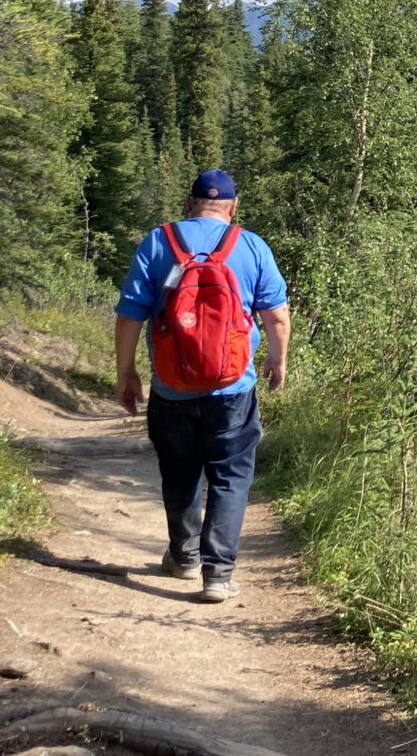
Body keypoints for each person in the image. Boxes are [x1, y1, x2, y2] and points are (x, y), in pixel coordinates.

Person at [114, 170, 290, 603]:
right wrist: (276, 358)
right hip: (233, 387)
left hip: (172, 387)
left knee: (179, 472)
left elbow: (130, 314)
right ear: (232, 208)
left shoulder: (159, 242)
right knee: (230, 476)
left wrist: (126, 371)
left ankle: (184, 556)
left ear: (190, 204)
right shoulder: (250, 245)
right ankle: (218, 575)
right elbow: (278, 316)